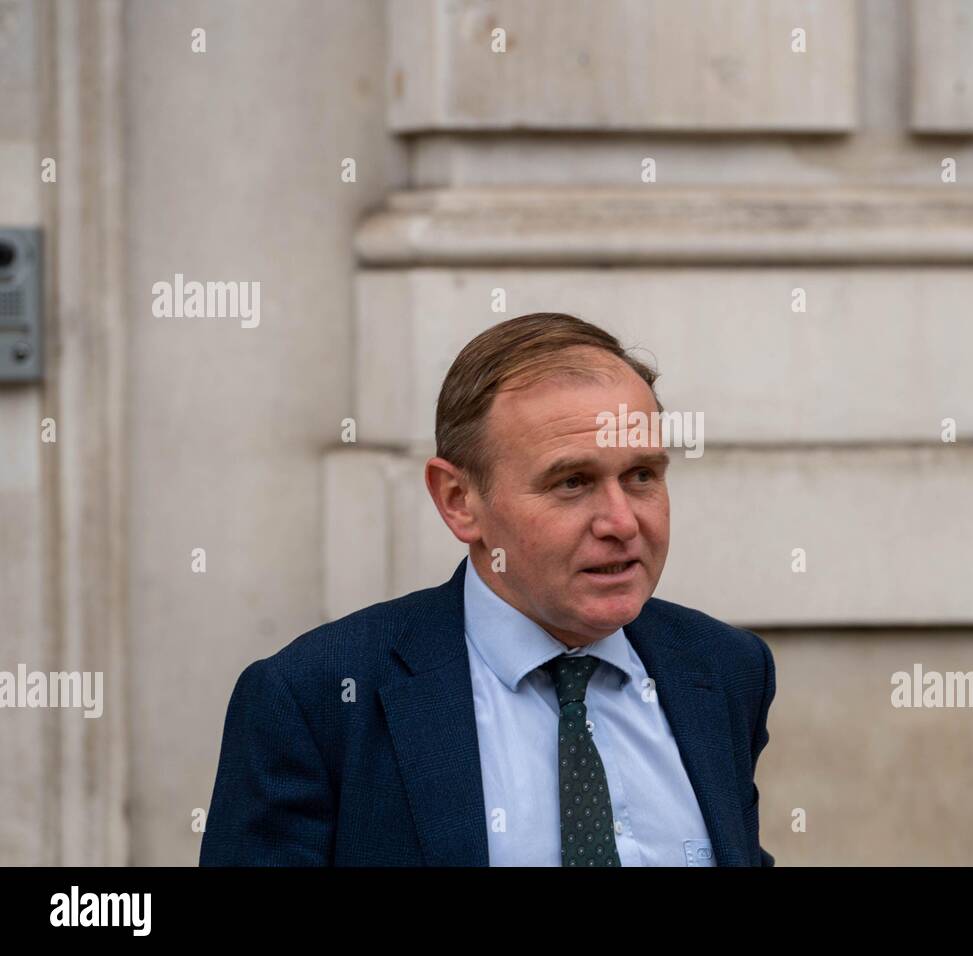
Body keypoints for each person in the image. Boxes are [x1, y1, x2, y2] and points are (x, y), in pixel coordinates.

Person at [199, 312, 776, 866]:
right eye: (572, 482)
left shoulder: (724, 668)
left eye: (641, 476)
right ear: (458, 501)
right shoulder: (317, 697)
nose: (621, 522)